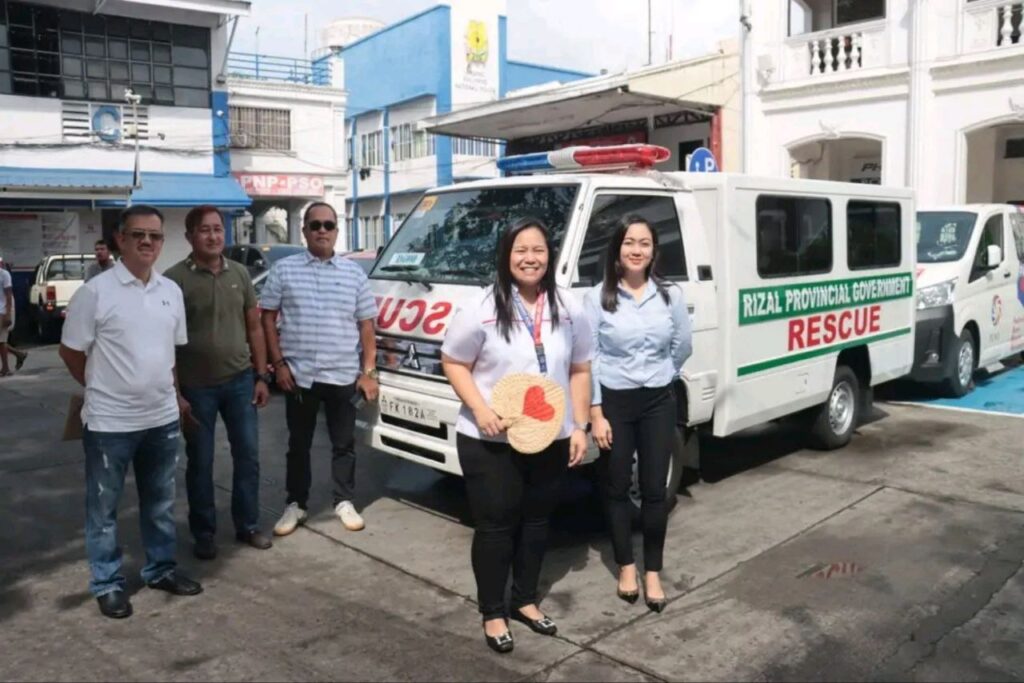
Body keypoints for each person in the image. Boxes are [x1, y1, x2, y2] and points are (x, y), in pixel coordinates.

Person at [441, 217, 593, 654]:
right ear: (506, 255)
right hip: (490, 438)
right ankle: (493, 611)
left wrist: (579, 426)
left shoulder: (568, 306)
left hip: (551, 434)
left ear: (551, 255)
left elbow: (580, 368)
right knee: (495, 525)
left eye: (539, 250)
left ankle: (524, 600)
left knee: (538, 521)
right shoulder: (482, 307)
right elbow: (453, 361)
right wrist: (481, 409)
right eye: (521, 250)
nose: (530, 258)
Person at [59, 205, 203, 620]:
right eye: (138, 234)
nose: (147, 242)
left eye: (155, 236)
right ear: (120, 239)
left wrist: (174, 398)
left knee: (159, 502)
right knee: (102, 510)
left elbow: (169, 356)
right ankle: (107, 583)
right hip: (109, 423)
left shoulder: (169, 291)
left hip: (160, 419)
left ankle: (160, 569)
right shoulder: (96, 292)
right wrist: (102, 388)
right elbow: (71, 352)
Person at [584, 215, 692, 614]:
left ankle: (653, 572)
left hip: (658, 399)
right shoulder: (596, 297)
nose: (636, 250)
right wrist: (596, 411)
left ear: (653, 251)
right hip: (614, 401)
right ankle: (627, 567)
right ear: (617, 249)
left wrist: (664, 374)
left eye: (644, 243)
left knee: (654, 489)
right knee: (615, 487)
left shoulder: (670, 296)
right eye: (629, 242)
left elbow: (682, 344)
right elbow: (590, 356)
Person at [260, 201, 379, 536]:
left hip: (342, 374)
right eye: (315, 226)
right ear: (305, 231)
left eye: (328, 225)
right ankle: (295, 504)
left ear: (337, 231)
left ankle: (344, 501)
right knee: (299, 445)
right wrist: (278, 364)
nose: (322, 231)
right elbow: (267, 318)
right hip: (299, 376)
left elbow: (366, 324)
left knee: (344, 444)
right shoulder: (285, 270)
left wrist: (368, 372)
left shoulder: (353, 273)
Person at [165, 205, 273, 560]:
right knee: (201, 463)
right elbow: (166, 342)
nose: (213, 236)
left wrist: (261, 374)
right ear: (190, 236)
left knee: (248, 457)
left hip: (240, 381)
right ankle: (204, 533)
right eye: (205, 230)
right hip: (197, 389)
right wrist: (176, 393)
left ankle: (248, 525)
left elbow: (254, 326)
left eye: (218, 229)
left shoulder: (240, 274)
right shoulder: (174, 280)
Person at [0, 256, 28, 376]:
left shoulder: (4, 275)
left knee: (1, 341)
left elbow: (8, 295)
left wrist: (8, 315)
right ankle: (18, 355)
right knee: (1, 341)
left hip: (3, 310)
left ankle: (6, 368)